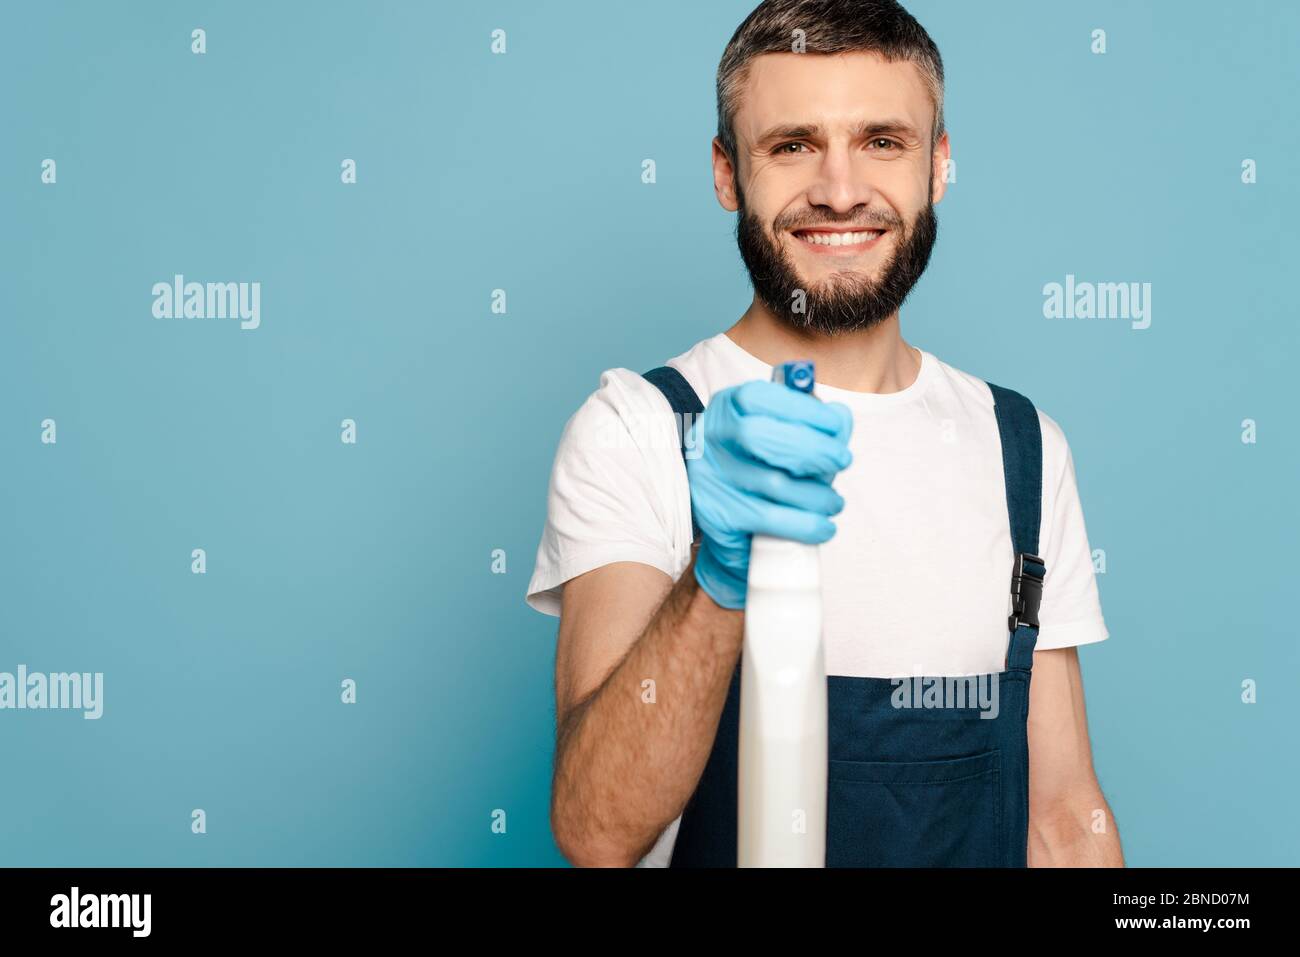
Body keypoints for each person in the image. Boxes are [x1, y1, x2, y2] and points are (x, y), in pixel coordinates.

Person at [526, 0, 1123, 868]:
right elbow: (596, 829)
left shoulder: (1021, 448)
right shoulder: (635, 428)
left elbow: (1063, 819)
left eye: (883, 141)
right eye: (793, 144)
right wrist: (719, 574)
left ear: (939, 165)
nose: (840, 190)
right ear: (728, 174)